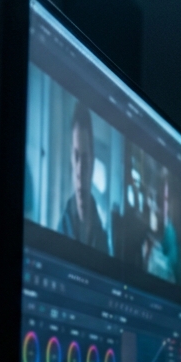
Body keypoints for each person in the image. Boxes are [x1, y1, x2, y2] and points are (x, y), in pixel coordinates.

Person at [59, 105, 108, 252]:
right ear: (71, 160)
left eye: (85, 159)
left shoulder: (103, 239)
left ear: (92, 163)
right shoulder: (60, 230)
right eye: (76, 156)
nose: (80, 171)